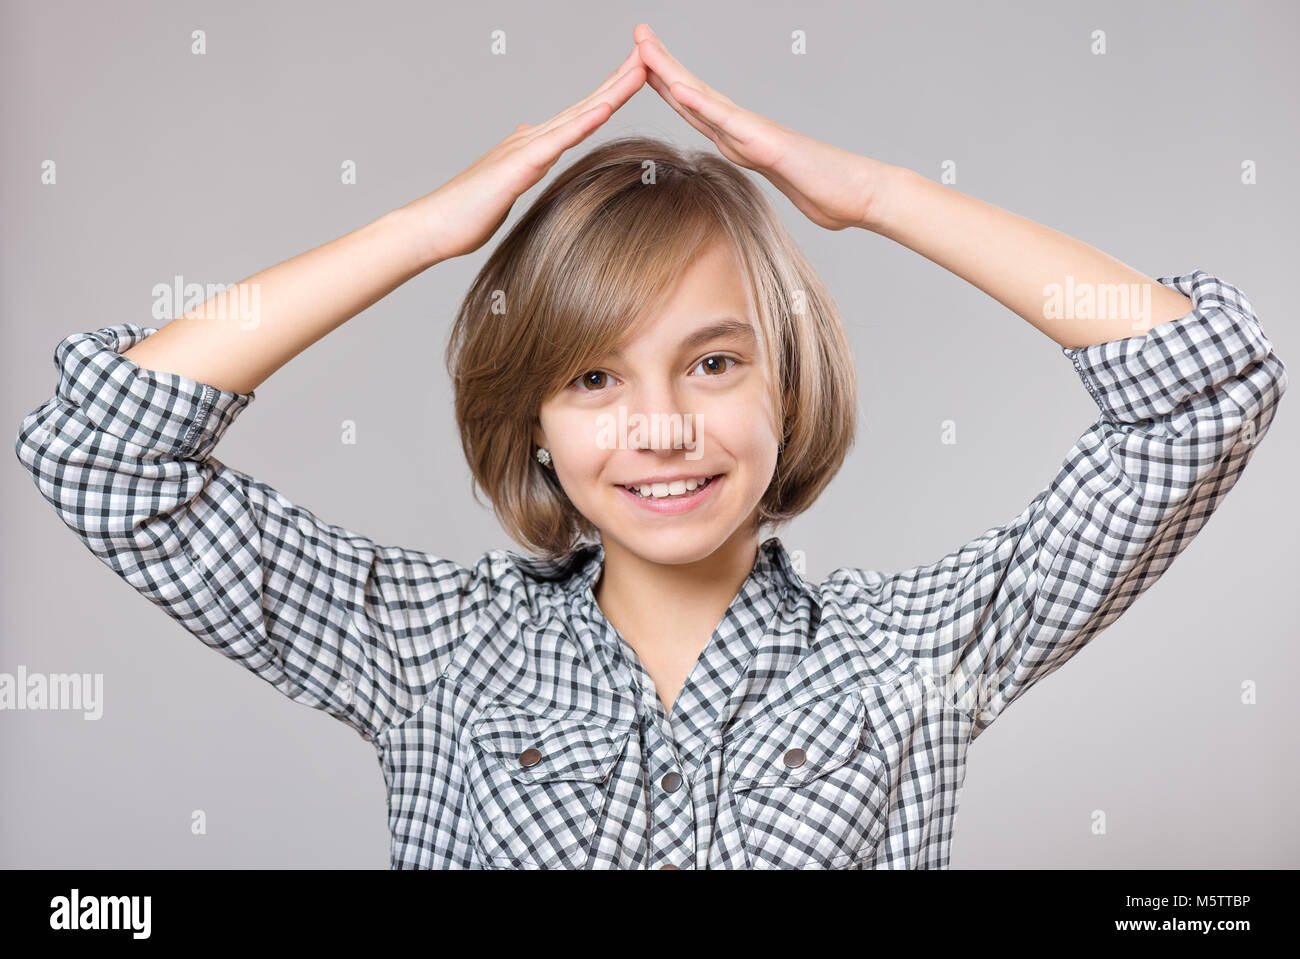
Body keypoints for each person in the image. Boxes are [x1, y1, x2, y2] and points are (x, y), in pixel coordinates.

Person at [14, 24, 1287, 869]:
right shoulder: (434, 651)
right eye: (592, 375)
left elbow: (1201, 395)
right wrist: (418, 234)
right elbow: (103, 454)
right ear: (535, 422)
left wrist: (882, 200)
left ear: (789, 387)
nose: (663, 426)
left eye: (715, 361)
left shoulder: (918, 651)